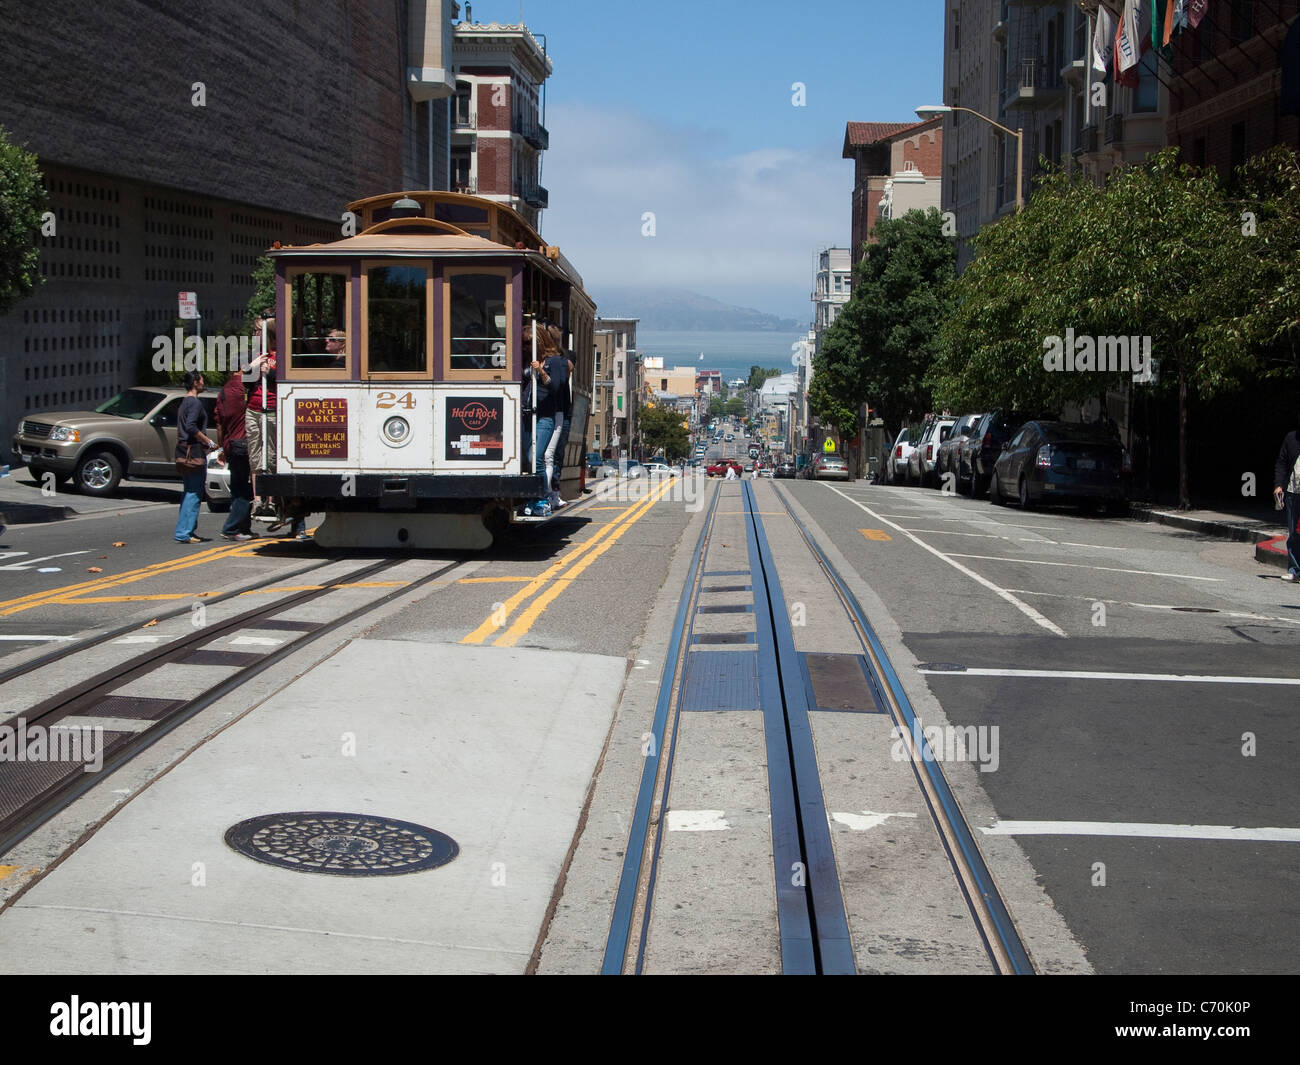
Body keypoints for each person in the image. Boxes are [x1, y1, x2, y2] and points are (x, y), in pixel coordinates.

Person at [174, 371, 217, 544]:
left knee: (188, 491)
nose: (203, 383)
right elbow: (191, 426)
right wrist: (209, 441)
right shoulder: (195, 403)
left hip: (183, 450)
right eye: (201, 380)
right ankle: (185, 532)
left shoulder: (184, 401)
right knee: (194, 492)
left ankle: (185, 529)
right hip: (194, 452)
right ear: (195, 383)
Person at [215, 366, 255, 541]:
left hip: (230, 444)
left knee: (238, 487)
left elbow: (219, 424)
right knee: (244, 490)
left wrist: (222, 448)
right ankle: (230, 529)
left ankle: (244, 528)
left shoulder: (223, 392)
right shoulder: (244, 389)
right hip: (243, 444)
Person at [1274, 421, 1300, 583]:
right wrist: (1278, 485)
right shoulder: (1292, 438)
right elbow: (1282, 462)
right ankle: (1294, 570)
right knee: (1294, 533)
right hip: (1293, 491)